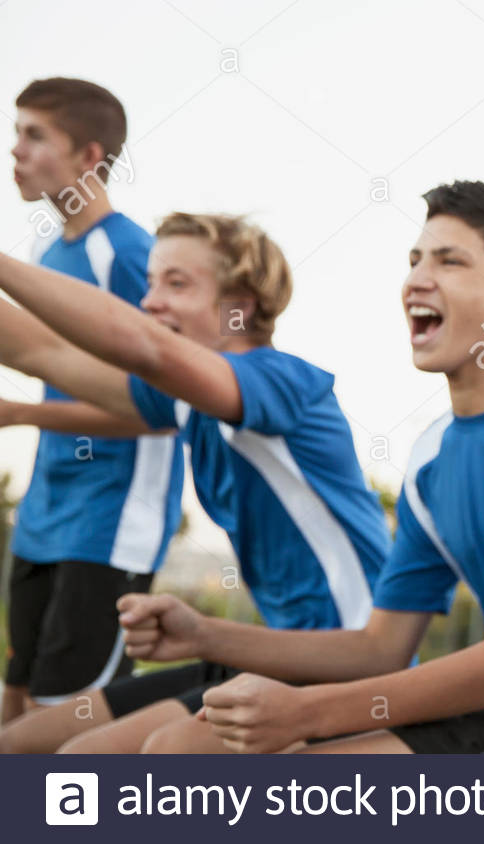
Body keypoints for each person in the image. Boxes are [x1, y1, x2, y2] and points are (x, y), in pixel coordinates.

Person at [110, 181, 484, 755]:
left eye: (449, 260)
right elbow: (381, 646)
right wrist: (203, 633)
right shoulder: (432, 453)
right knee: (173, 753)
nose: (417, 278)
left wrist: (306, 713)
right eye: (414, 260)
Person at [0, 212, 389, 753]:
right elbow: (43, 353)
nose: (151, 300)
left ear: (238, 307)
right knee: (22, 745)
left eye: (176, 284)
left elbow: (142, 346)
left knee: (135, 759)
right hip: (264, 653)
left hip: (347, 663)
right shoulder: (185, 402)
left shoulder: (283, 382)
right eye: (153, 282)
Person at [2, 77, 184, 725]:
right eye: (15, 131)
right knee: (16, 707)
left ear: (88, 156)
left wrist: (19, 414)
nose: (14, 150)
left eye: (34, 135)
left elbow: (162, 413)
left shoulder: (131, 255)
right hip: (43, 516)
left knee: (67, 725)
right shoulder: (47, 253)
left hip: (108, 530)